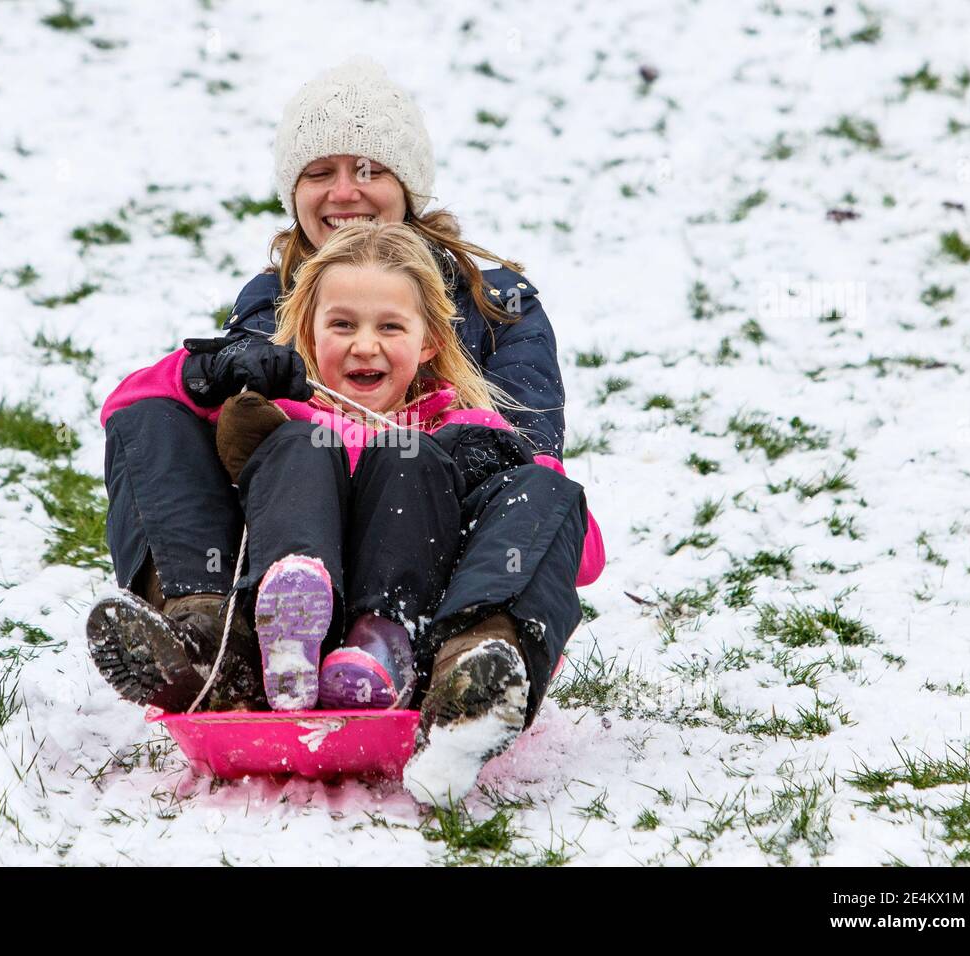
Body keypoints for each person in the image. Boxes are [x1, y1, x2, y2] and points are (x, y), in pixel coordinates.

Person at [89, 221, 605, 805]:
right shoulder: (280, 413)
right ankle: (212, 646)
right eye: (342, 325)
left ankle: (471, 679)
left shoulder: (461, 429)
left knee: (504, 483)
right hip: (268, 625)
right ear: (307, 335)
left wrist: (511, 469)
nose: (365, 345)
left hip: (414, 640)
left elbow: (581, 553)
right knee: (285, 446)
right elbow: (131, 408)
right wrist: (215, 370)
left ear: (429, 341)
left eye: (390, 326)